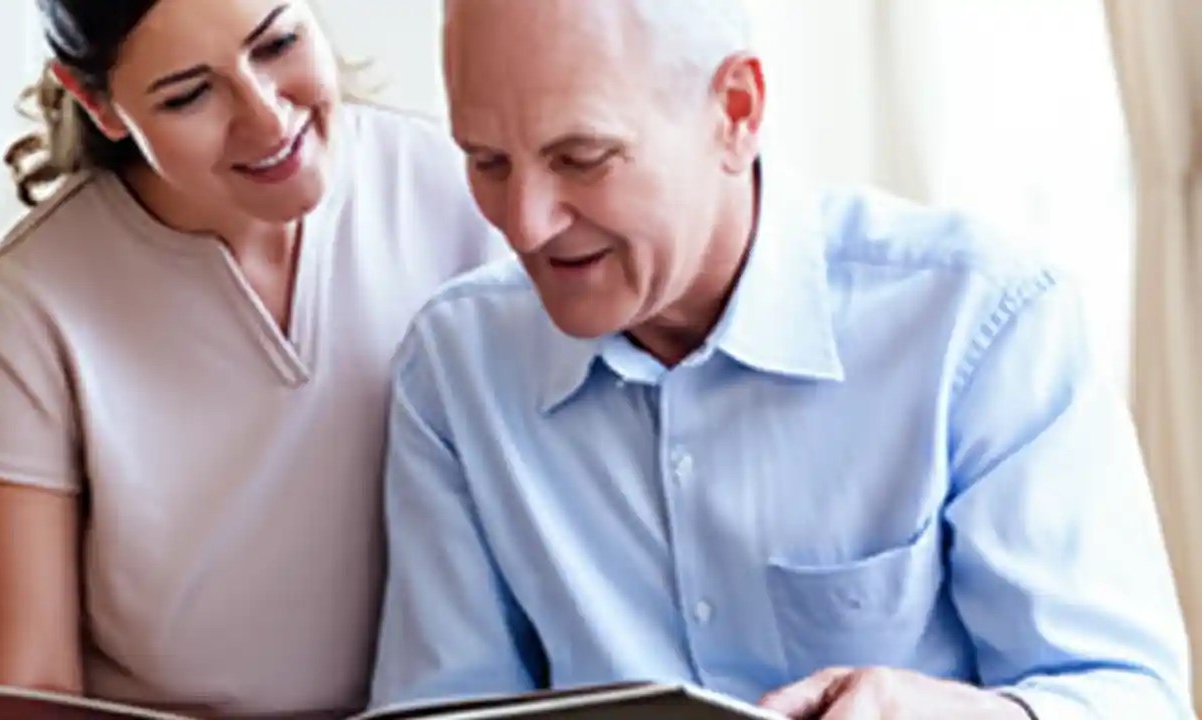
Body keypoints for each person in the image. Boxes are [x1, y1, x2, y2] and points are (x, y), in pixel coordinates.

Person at [368, 0, 1194, 717]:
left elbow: (1134, 700)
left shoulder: (983, 324)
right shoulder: (454, 370)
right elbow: (445, 710)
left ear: (735, 109)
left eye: (581, 158)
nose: (525, 223)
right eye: (487, 162)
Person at [0, 0, 502, 715]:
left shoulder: (469, 199)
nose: (267, 120)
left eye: (278, 42)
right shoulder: (21, 315)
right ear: (98, 105)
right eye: (189, 94)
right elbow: (28, 692)